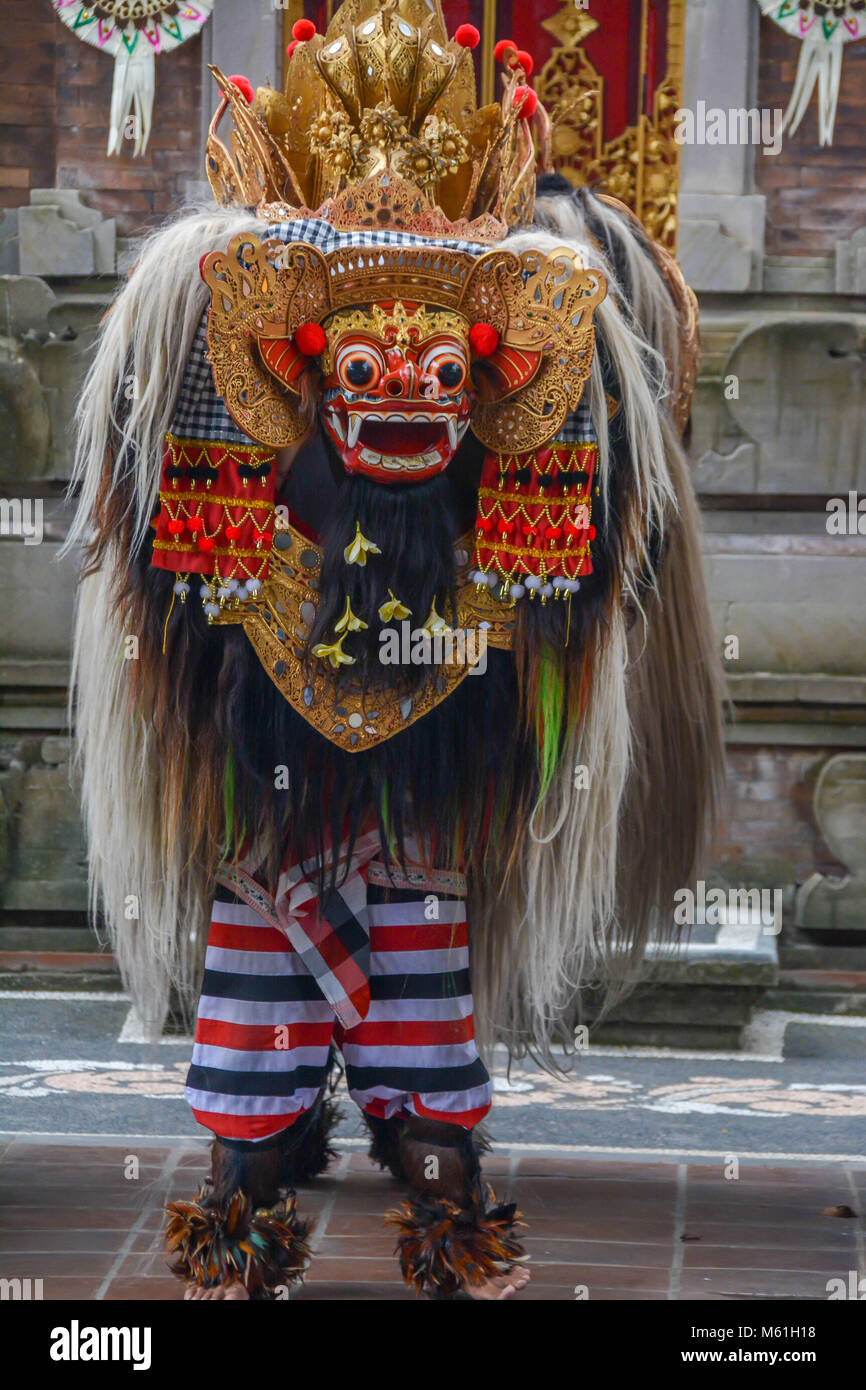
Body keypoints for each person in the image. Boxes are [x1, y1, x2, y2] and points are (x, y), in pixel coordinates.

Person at [67, 0, 724, 1300]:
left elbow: (573, 567)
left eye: (440, 364)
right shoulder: (201, 336)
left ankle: (438, 1197)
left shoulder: (554, 358)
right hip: (272, 709)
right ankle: (258, 1199)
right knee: (266, 961)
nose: (401, 392)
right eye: (361, 360)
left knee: (418, 962)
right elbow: (162, 541)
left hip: (433, 716)